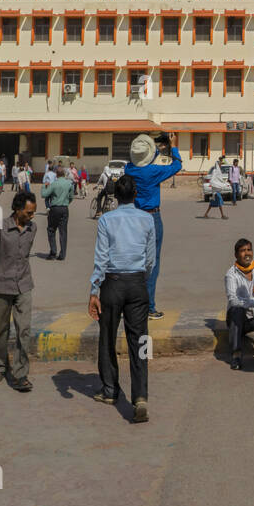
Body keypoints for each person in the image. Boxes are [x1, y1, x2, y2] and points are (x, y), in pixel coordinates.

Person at [87, 174, 155, 422]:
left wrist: (94, 290)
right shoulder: (147, 219)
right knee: (141, 342)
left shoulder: (106, 220)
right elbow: (150, 259)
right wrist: (141, 279)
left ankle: (110, 390)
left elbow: (101, 258)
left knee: (107, 337)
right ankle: (141, 396)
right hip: (137, 283)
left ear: (115, 195)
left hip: (112, 284)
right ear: (135, 194)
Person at [0, 190, 38, 393]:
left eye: (33, 213)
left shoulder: (33, 228)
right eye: (28, 212)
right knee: (0, 328)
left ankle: (20, 374)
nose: (31, 217)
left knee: (24, 329)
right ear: (17, 209)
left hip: (24, 284)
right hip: (2, 284)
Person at [126, 132, 183, 320]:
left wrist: (158, 150)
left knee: (135, 261)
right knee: (153, 263)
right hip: (152, 217)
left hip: (133, 218)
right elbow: (177, 165)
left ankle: (132, 304)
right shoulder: (153, 171)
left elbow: (144, 161)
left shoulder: (129, 169)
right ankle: (149, 306)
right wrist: (172, 146)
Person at [224, 238, 254, 371]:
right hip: (240, 318)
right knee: (236, 310)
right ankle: (236, 354)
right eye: (242, 251)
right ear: (236, 255)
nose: (246, 254)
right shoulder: (231, 274)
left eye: (249, 250)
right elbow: (233, 300)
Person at [42, 165, 74, 260]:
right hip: (64, 208)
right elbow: (71, 196)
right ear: (64, 174)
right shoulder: (69, 183)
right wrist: (67, 202)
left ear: (56, 174)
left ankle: (53, 252)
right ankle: (62, 254)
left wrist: (44, 186)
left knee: (51, 230)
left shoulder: (54, 184)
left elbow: (44, 194)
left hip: (55, 208)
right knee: (63, 231)